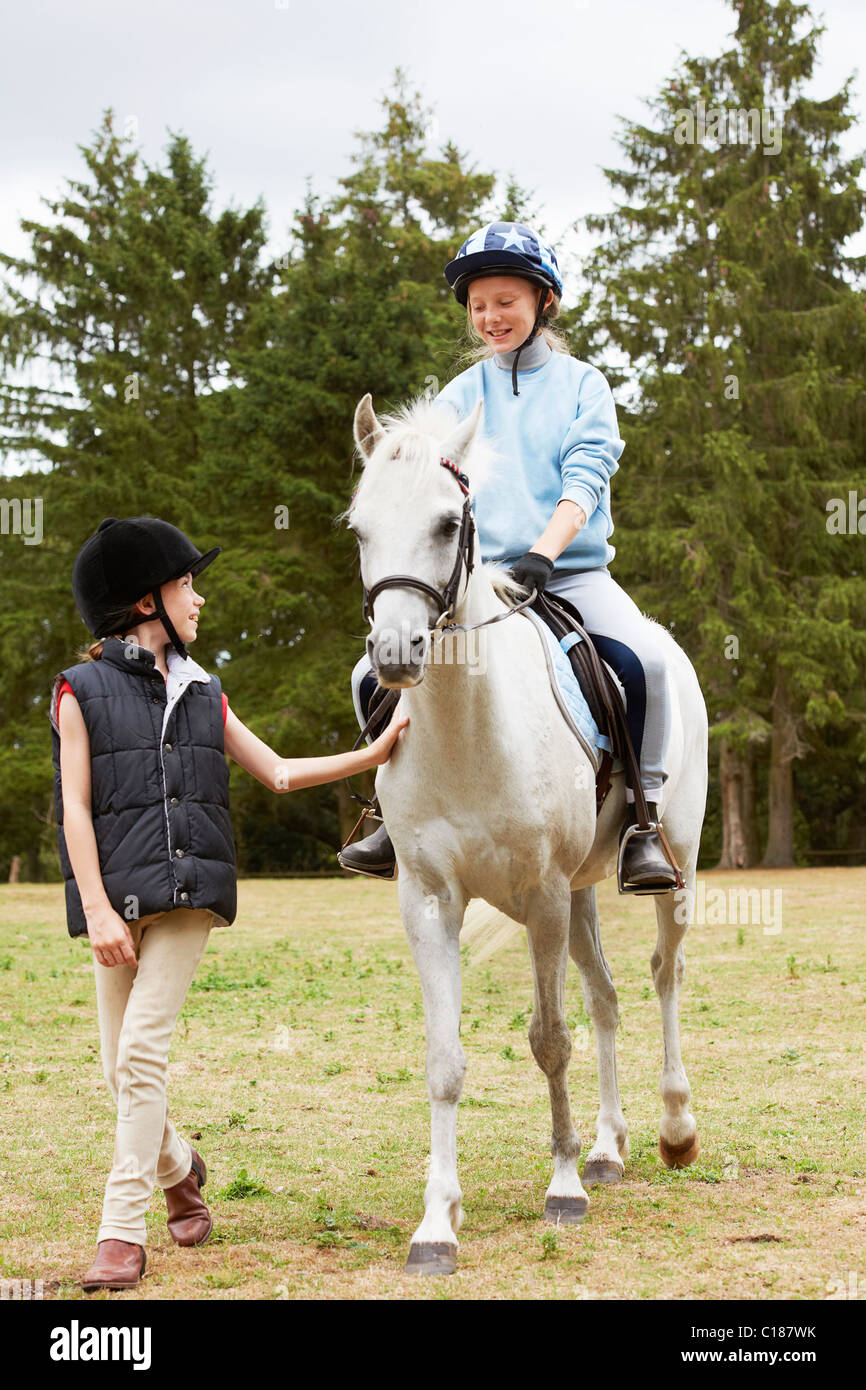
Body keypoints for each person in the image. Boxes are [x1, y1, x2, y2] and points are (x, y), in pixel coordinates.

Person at [51, 516, 408, 1292]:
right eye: (187, 585)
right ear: (146, 601)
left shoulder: (204, 690)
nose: (200, 598)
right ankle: (180, 1170)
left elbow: (276, 772)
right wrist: (100, 911)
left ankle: (120, 1234)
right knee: (119, 1071)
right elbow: (75, 810)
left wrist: (373, 755)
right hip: (114, 899)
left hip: (188, 895)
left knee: (141, 1052)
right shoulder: (77, 692)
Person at [338, 220, 677, 891]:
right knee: (366, 676)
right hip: (477, 584)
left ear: (543, 301)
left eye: (505, 301)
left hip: (571, 573)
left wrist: (544, 556)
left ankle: (644, 821)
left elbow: (585, 480)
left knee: (650, 662)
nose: (491, 317)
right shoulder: (459, 396)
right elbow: (428, 490)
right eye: (479, 306)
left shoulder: (585, 386)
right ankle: (388, 809)